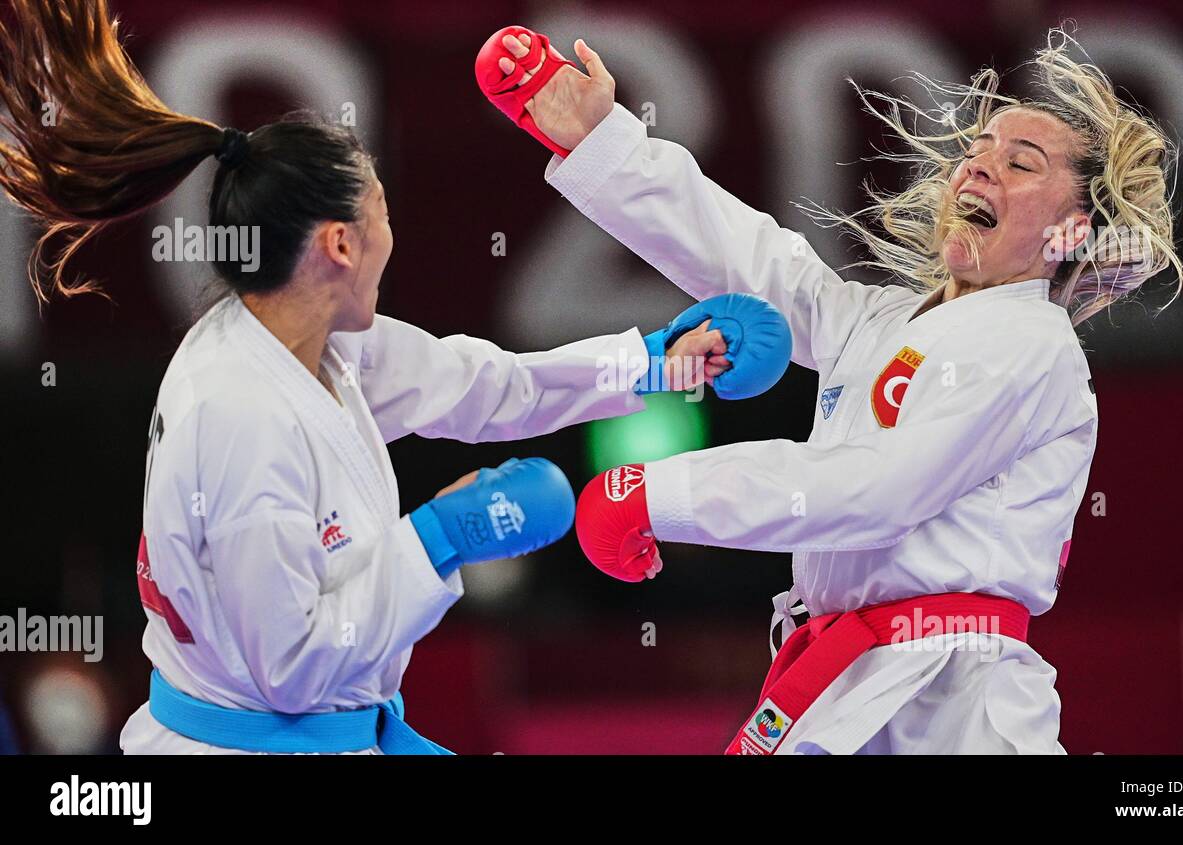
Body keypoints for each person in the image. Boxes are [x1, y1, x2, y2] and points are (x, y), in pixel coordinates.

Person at [0, 0, 802, 754]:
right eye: (383, 211)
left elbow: (487, 386)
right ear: (340, 245)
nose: (395, 232)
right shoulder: (239, 417)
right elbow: (292, 669)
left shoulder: (308, 341)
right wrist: (443, 533)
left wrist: (654, 361)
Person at [480, 24, 1183, 753]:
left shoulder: (1034, 344)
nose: (978, 169)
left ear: (1071, 230)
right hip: (850, 681)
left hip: (955, 705)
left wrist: (662, 495)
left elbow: (879, 490)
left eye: (1020, 163)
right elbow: (750, 259)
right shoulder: (885, 324)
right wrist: (604, 144)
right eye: (975, 154)